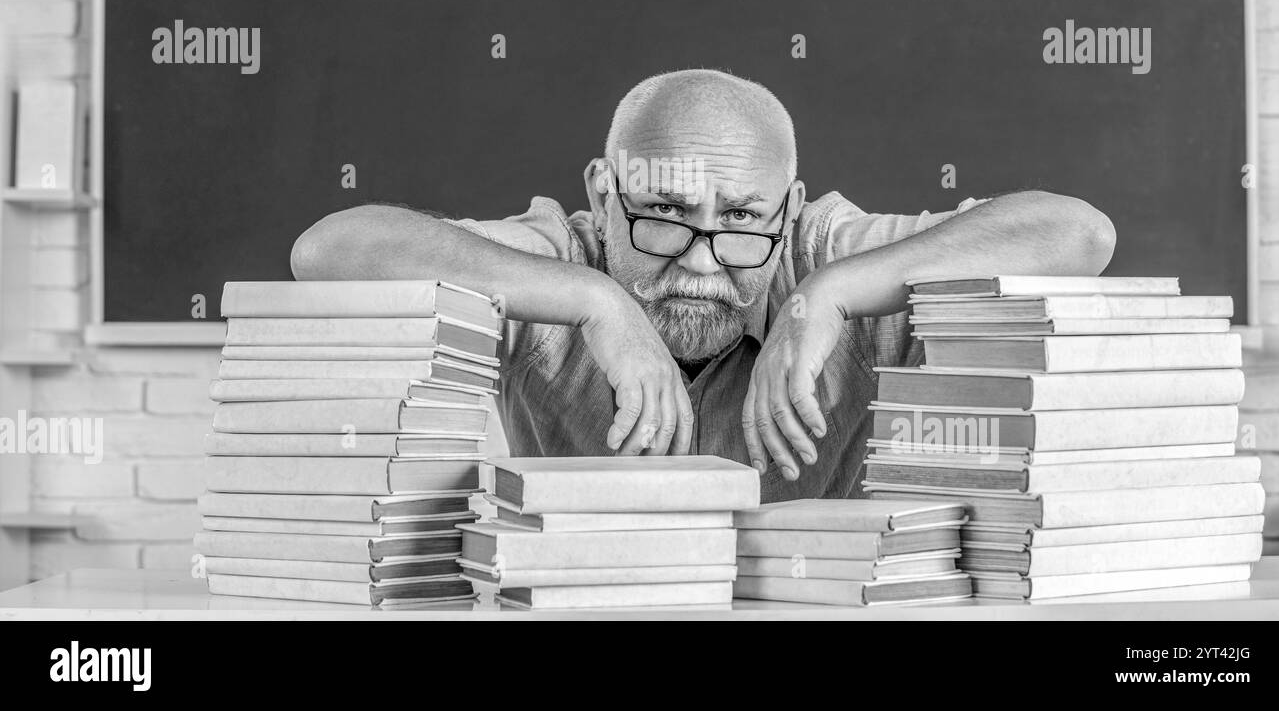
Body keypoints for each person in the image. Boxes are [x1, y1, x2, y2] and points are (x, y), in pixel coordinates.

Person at [291, 69, 1115, 501]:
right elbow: (329, 250)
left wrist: (821, 296)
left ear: (786, 212)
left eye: (741, 222)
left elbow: (1077, 234)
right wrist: (597, 301)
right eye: (662, 212)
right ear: (602, 194)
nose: (699, 261)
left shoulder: (822, 252)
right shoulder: (560, 255)